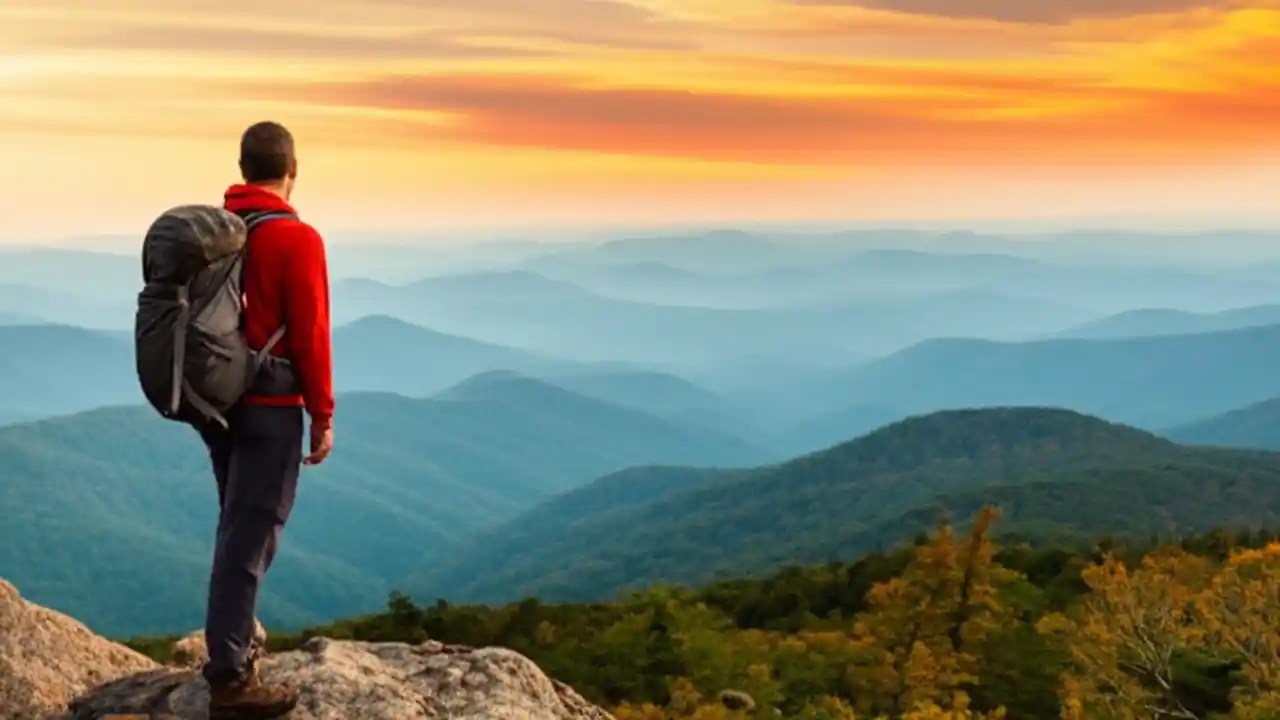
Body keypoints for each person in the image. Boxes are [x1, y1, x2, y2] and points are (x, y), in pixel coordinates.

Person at [199, 121, 335, 718]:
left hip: (216, 401)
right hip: (271, 407)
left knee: (237, 523)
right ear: (292, 169)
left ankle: (236, 641)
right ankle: (229, 677)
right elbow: (310, 334)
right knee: (252, 534)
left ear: (242, 167)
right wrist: (322, 413)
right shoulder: (297, 238)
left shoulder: (215, 231)